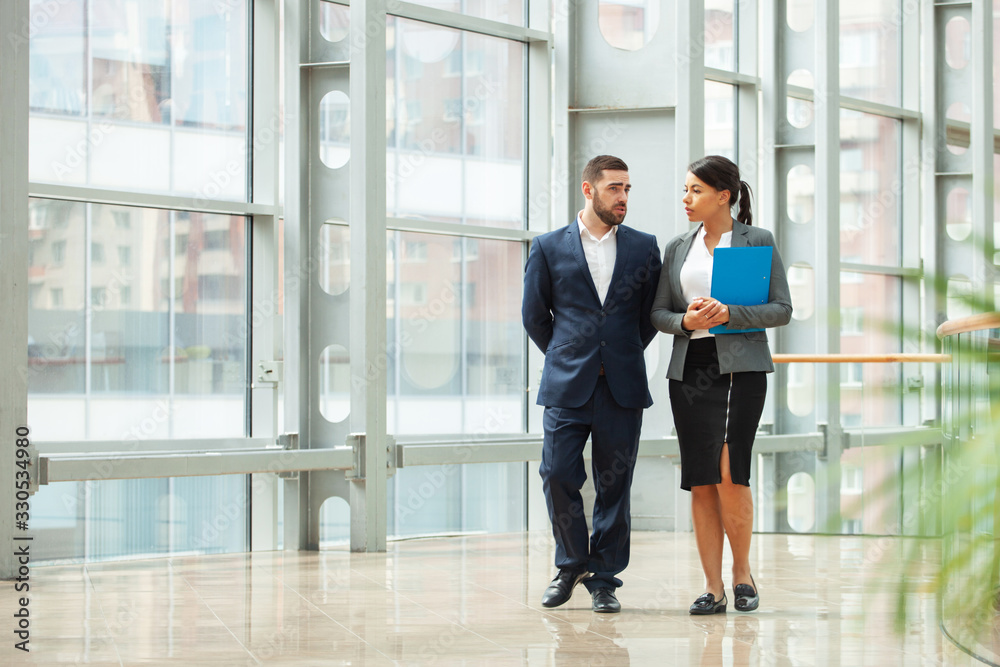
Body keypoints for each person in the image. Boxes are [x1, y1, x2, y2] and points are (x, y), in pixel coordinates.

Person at [650, 155, 792, 615]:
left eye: (695, 190)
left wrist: (732, 314)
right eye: (685, 190)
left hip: (741, 367)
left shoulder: (757, 241)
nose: (686, 199)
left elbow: (781, 309)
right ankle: (713, 587)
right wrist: (686, 320)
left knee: (732, 472)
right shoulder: (677, 247)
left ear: (723, 196)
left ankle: (741, 572)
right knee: (702, 479)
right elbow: (658, 314)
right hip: (691, 367)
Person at [522, 155, 662, 613]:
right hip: (567, 384)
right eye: (614, 188)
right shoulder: (547, 247)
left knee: (614, 484)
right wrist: (571, 356)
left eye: (627, 188)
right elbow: (534, 316)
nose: (623, 197)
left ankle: (604, 577)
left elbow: (648, 320)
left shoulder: (644, 247)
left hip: (621, 385)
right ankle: (570, 564)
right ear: (588, 189)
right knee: (558, 474)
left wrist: (613, 355)